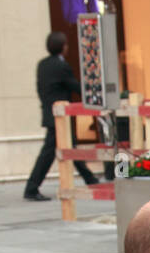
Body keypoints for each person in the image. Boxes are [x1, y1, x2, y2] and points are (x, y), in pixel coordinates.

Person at [24, 32, 99, 201]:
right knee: (49, 154)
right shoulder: (61, 66)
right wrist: (94, 96)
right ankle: (31, 188)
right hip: (58, 117)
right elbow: (73, 85)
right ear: (63, 47)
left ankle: (91, 180)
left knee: (70, 149)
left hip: (50, 113)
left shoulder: (42, 65)